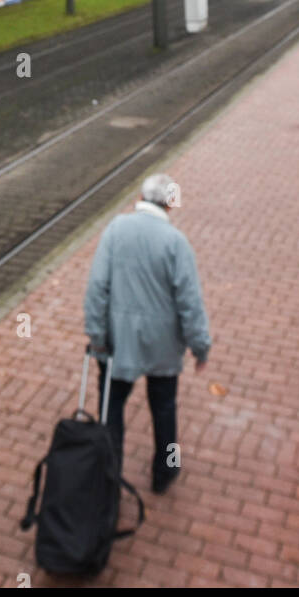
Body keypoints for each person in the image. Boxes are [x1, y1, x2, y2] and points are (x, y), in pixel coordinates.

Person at [83, 172, 211, 494]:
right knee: (165, 409)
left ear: (139, 198)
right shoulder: (176, 243)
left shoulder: (115, 230)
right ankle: (165, 471)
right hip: (163, 345)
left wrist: (97, 337)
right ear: (169, 204)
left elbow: (97, 288)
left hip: (118, 342)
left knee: (111, 408)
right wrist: (200, 347)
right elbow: (190, 303)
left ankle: (109, 477)